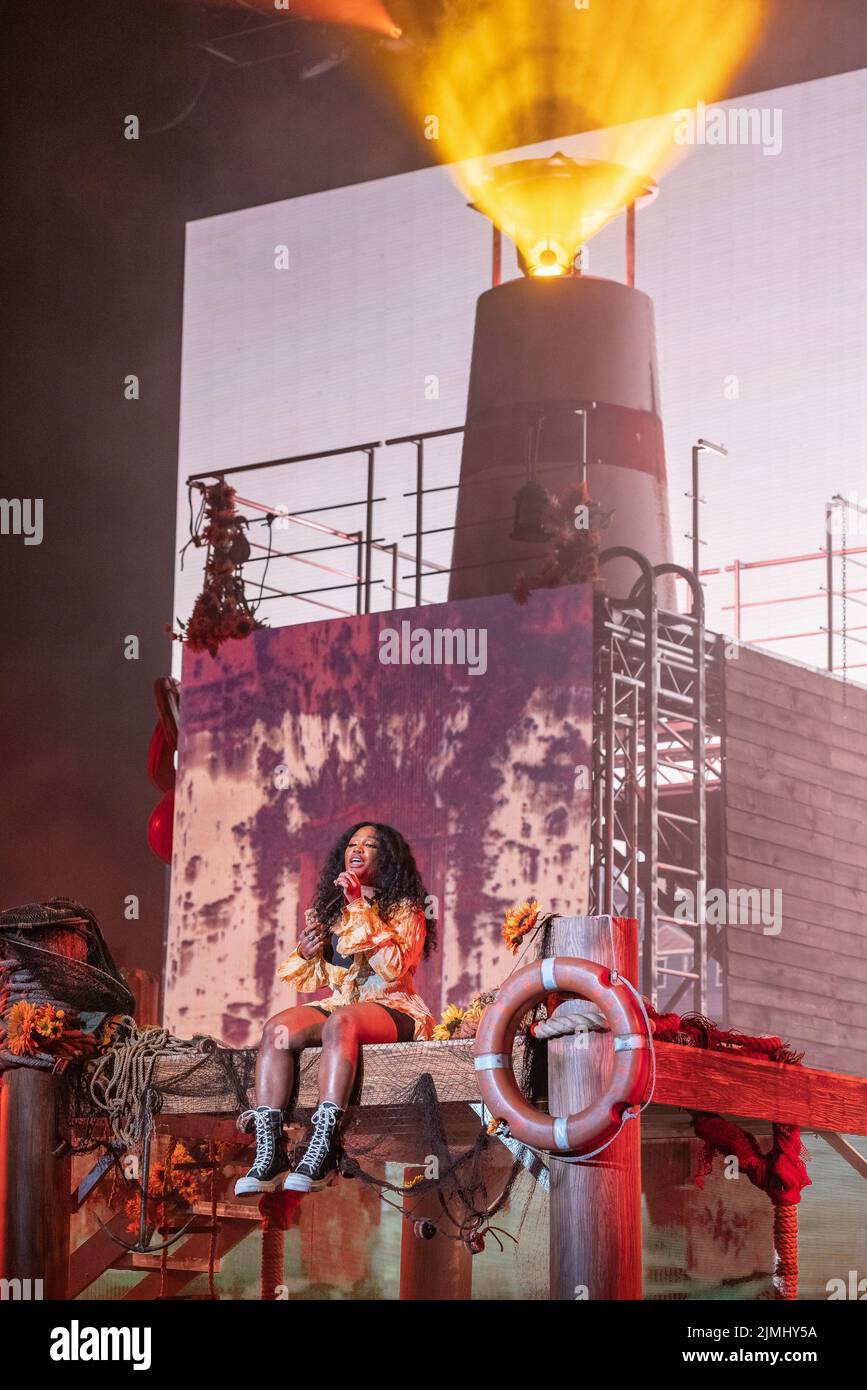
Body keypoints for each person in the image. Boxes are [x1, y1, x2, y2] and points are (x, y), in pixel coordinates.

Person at [235, 822, 436, 1195]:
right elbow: (327, 979)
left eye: (369, 845)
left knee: (340, 1023)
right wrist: (309, 953)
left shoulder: (407, 909)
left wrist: (359, 903)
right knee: (277, 1028)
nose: (357, 850)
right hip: (342, 1004)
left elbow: (392, 968)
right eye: (352, 844)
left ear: (387, 858)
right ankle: (270, 1152)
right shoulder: (332, 913)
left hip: (393, 1007)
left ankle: (324, 1145)